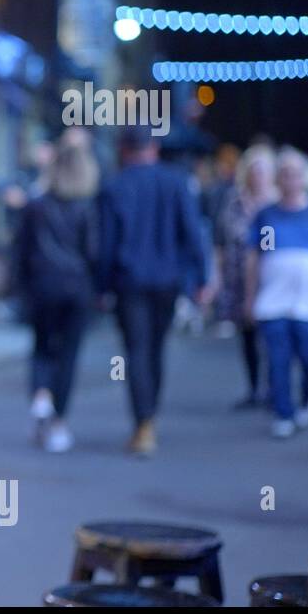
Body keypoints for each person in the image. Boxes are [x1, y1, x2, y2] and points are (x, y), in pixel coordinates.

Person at [97, 127, 210, 457]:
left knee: (136, 351)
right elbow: (192, 233)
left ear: (124, 149)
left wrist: (101, 286)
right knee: (155, 348)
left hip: (129, 281)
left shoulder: (115, 186)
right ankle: (149, 417)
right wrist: (201, 277)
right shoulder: (176, 182)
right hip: (167, 280)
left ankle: (143, 421)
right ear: (154, 147)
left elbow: (106, 244)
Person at [13, 127, 100, 453]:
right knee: (68, 355)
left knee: (41, 347)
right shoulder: (87, 208)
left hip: (42, 286)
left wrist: (20, 287)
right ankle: (59, 422)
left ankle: (40, 395)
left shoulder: (35, 206)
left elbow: (21, 251)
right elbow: (93, 253)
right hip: (76, 289)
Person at [243, 147, 308, 439]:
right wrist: (250, 296)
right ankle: (283, 412)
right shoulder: (267, 215)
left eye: (295, 175)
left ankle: (306, 398)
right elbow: (256, 257)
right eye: (285, 175)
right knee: (278, 359)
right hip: (275, 301)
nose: (290, 180)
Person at [213, 144, 277, 408]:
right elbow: (221, 239)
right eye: (254, 171)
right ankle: (254, 388)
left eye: (263, 171)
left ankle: (276, 388)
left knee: (273, 336)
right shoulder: (234, 200)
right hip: (238, 277)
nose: (258, 176)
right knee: (248, 335)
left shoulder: (276, 204)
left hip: (271, 279)